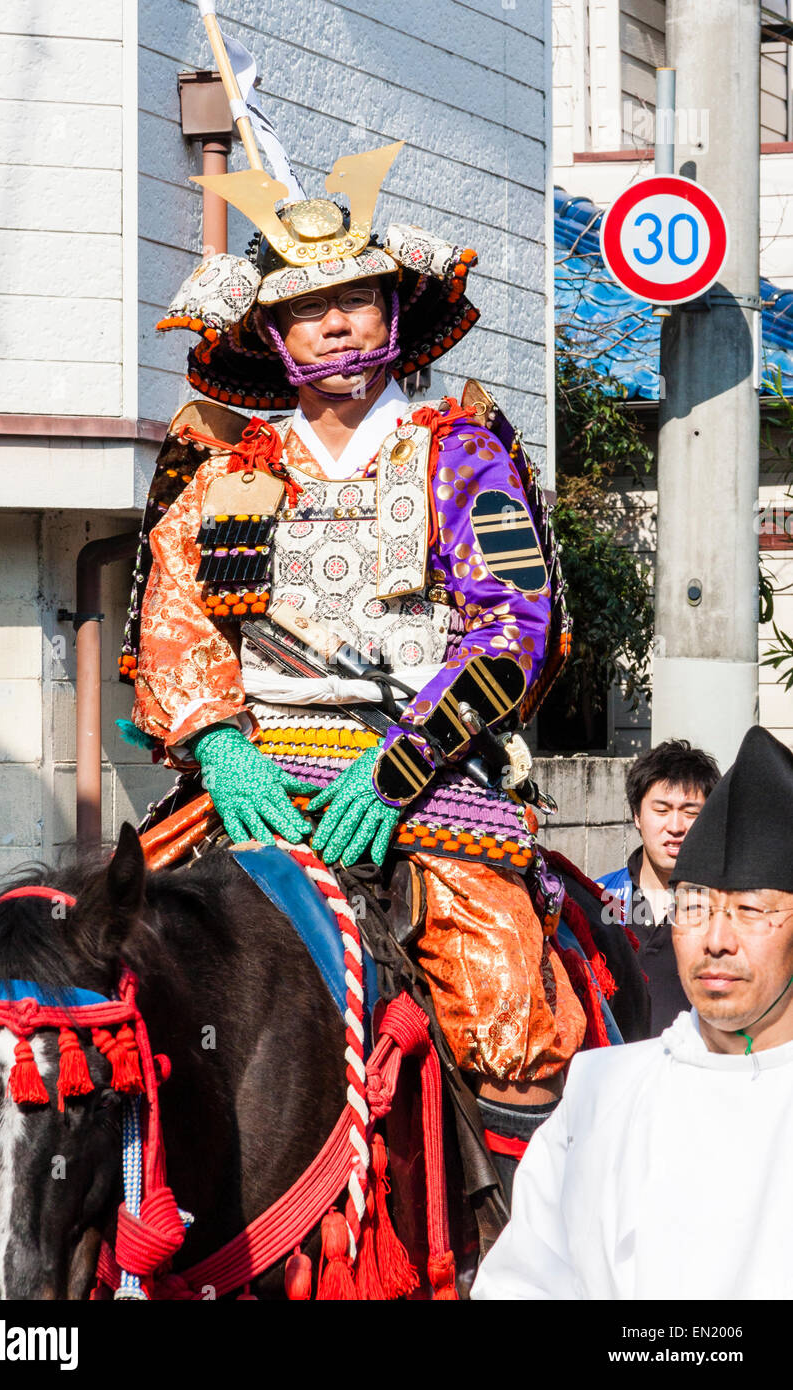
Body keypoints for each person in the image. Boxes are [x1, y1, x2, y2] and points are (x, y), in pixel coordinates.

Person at [120, 137, 600, 1209]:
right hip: (248, 781)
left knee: (503, 1009)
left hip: (426, 775)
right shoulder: (230, 466)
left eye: (358, 300)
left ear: (394, 317)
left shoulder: (455, 449)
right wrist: (217, 742)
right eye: (309, 308)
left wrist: (400, 767)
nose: (337, 323)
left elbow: (511, 626)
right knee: (104, 970)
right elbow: (174, 616)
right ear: (270, 332)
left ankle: (510, 1234)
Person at [472, 724, 793, 1300]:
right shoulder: (602, 1090)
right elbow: (524, 1281)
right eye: (693, 907)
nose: (716, 939)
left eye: (750, 911)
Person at [597, 739, 719, 1032]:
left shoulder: (727, 906)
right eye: (662, 810)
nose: (676, 827)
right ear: (637, 816)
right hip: (619, 1070)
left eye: (691, 813)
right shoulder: (599, 898)